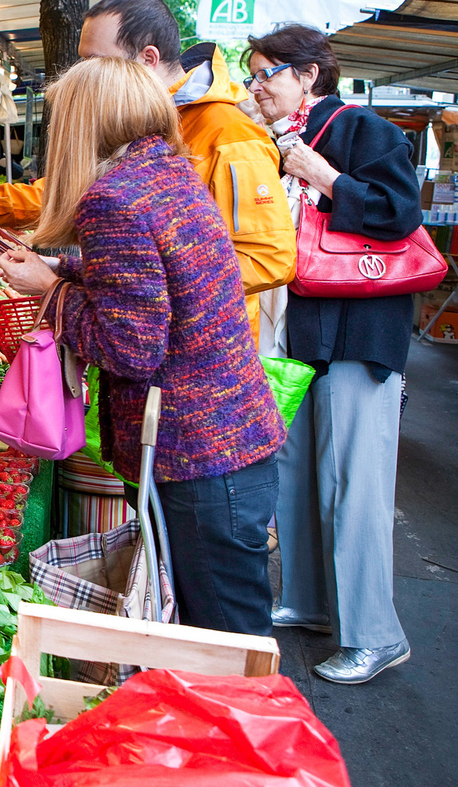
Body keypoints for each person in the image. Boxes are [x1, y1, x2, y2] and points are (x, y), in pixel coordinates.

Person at [0, 57, 286, 637]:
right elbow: (156, 273)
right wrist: (64, 264)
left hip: (193, 454)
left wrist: (50, 288)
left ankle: (248, 728)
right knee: (229, 627)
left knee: (223, 641)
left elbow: (129, 348)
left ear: (82, 122)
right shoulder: (169, 172)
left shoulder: (111, 199)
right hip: (228, 439)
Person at [0, 0, 296, 344]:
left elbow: (270, 258)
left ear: (148, 59)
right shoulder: (130, 125)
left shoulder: (229, 135)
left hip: (200, 346)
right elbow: (76, 188)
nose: (82, 73)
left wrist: (73, 286)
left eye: (96, 61)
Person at [245, 24, 419, 684]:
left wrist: (327, 177)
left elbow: (401, 213)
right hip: (303, 332)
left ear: (309, 75)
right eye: (255, 74)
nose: (257, 86)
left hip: (358, 331)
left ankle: (376, 633)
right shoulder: (273, 141)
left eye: (268, 73)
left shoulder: (360, 128)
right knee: (297, 473)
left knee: (354, 482)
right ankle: (310, 602)